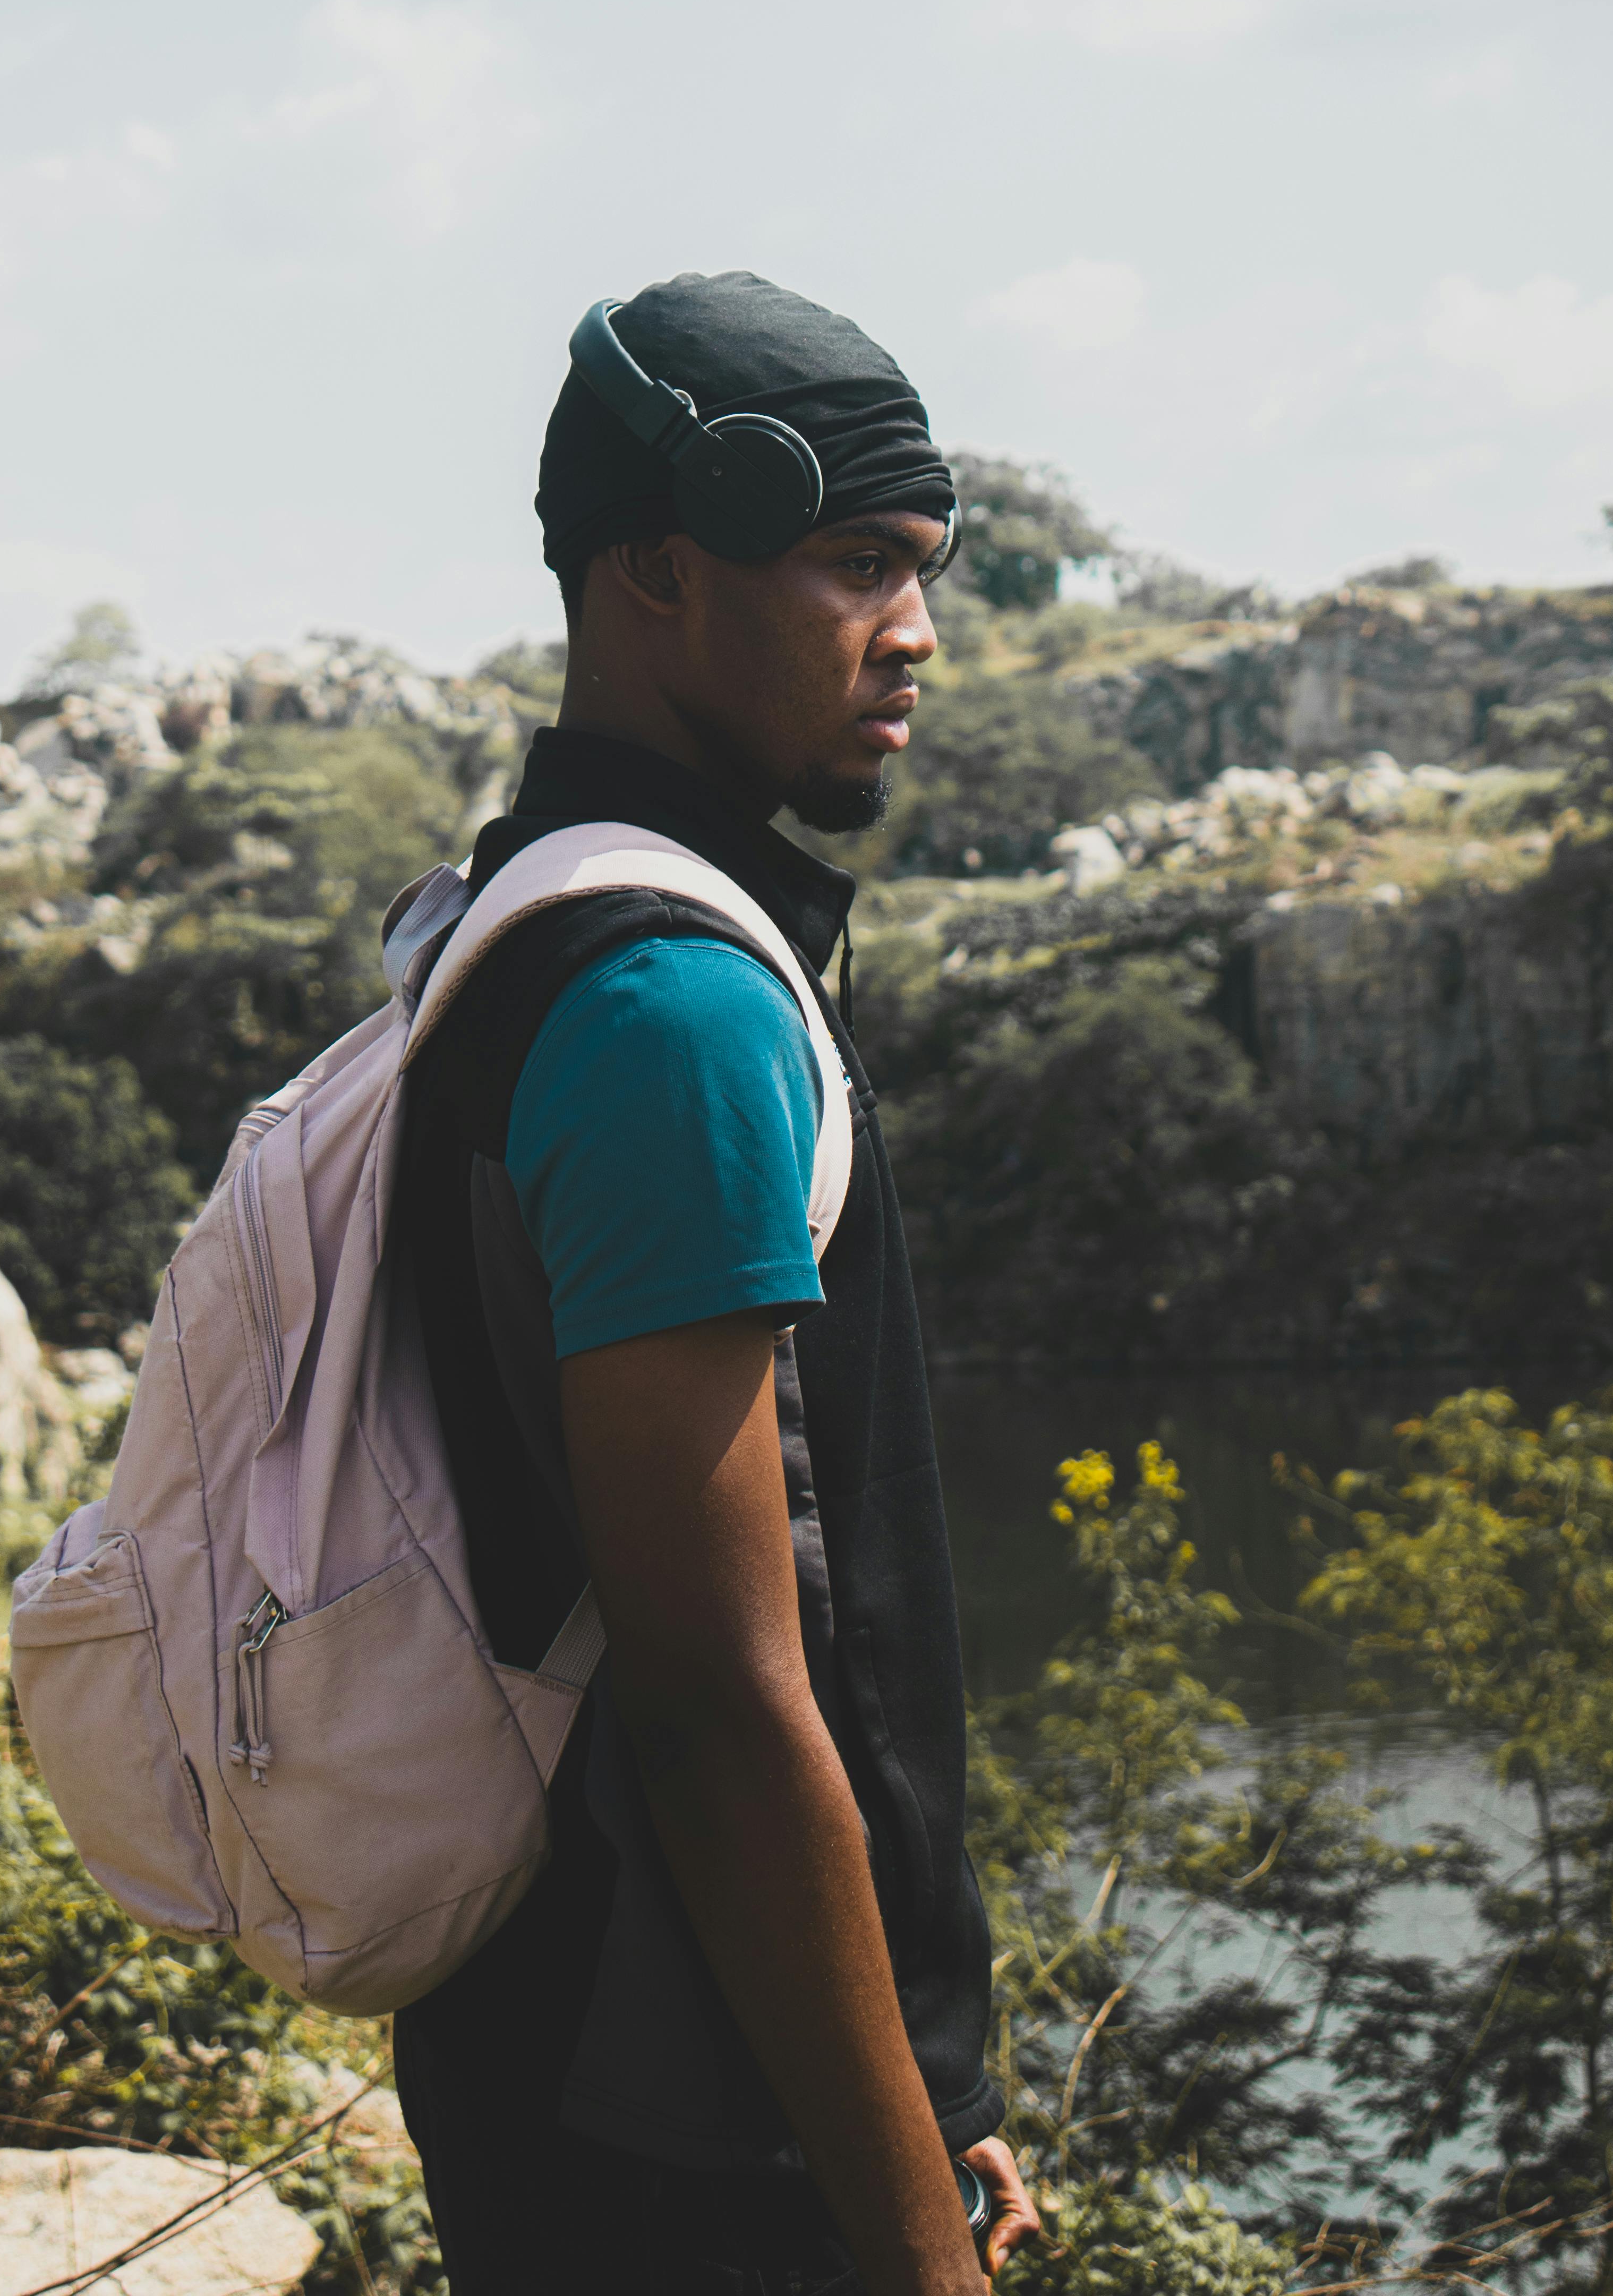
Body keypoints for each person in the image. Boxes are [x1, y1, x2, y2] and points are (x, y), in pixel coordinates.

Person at [390, 272, 1039, 2296]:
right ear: (659, 573)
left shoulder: (522, 913)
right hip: (692, 2135)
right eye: (855, 565)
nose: (915, 631)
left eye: (924, 569)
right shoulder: (671, 1005)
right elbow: (725, 1702)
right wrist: (913, 2238)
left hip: (589, 2063)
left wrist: (937, 2080)